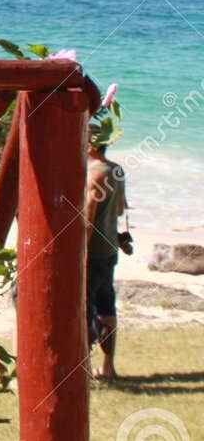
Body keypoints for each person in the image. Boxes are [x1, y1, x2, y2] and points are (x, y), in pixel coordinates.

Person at [85, 133, 129, 381]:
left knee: (85, 308)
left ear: (91, 144)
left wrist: (78, 256)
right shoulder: (117, 170)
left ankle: (83, 367)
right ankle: (108, 367)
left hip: (92, 253)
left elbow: (87, 223)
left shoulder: (93, 175)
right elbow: (121, 208)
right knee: (106, 305)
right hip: (110, 249)